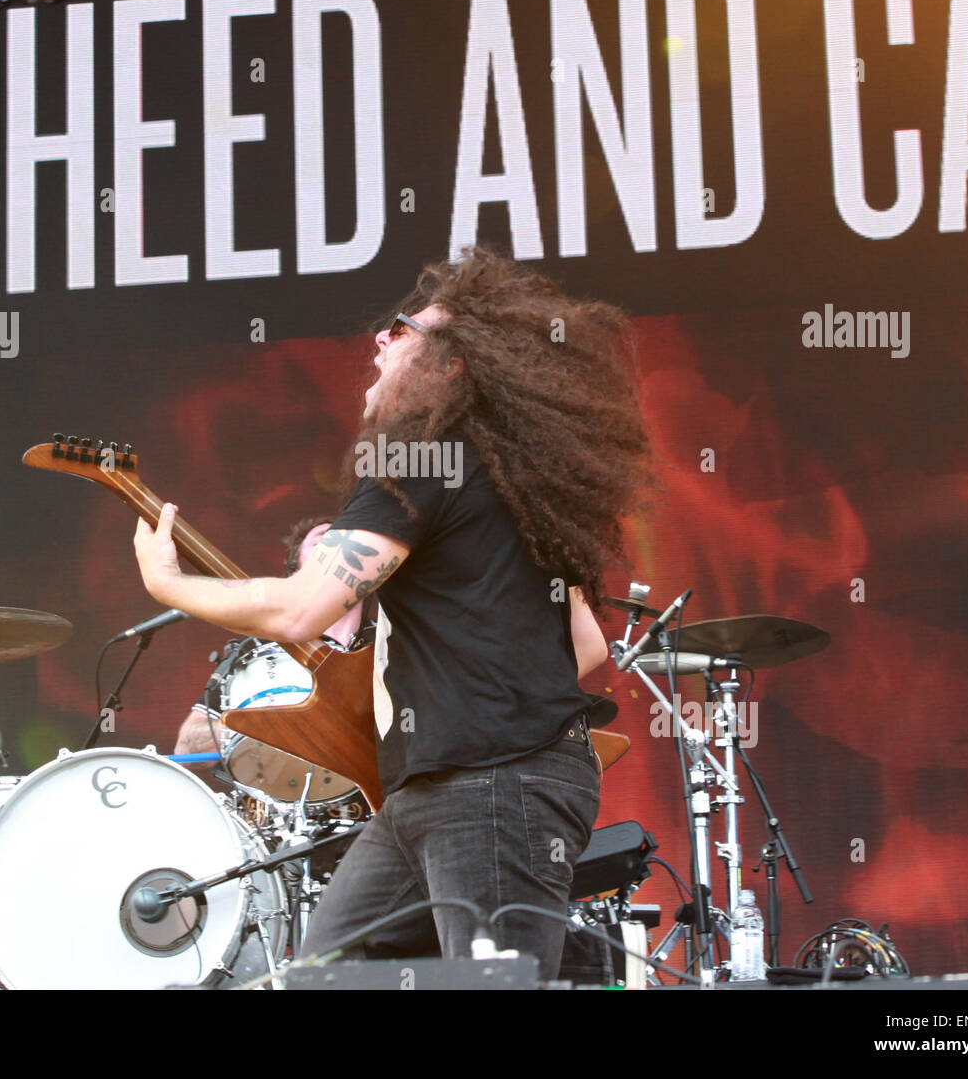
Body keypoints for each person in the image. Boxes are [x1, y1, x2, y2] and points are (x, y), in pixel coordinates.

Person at [134, 247, 649, 978]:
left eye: (403, 330)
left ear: (451, 368)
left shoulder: (420, 462)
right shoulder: (504, 489)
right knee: (326, 975)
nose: (381, 339)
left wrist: (168, 583)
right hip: (437, 791)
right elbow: (586, 646)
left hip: (493, 785)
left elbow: (302, 607)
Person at [172, 516, 367, 759]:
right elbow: (186, 747)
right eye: (323, 540)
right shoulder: (256, 645)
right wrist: (269, 733)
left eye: (349, 542)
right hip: (273, 788)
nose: (339, 545)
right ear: (296, 569)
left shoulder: (389, 643)